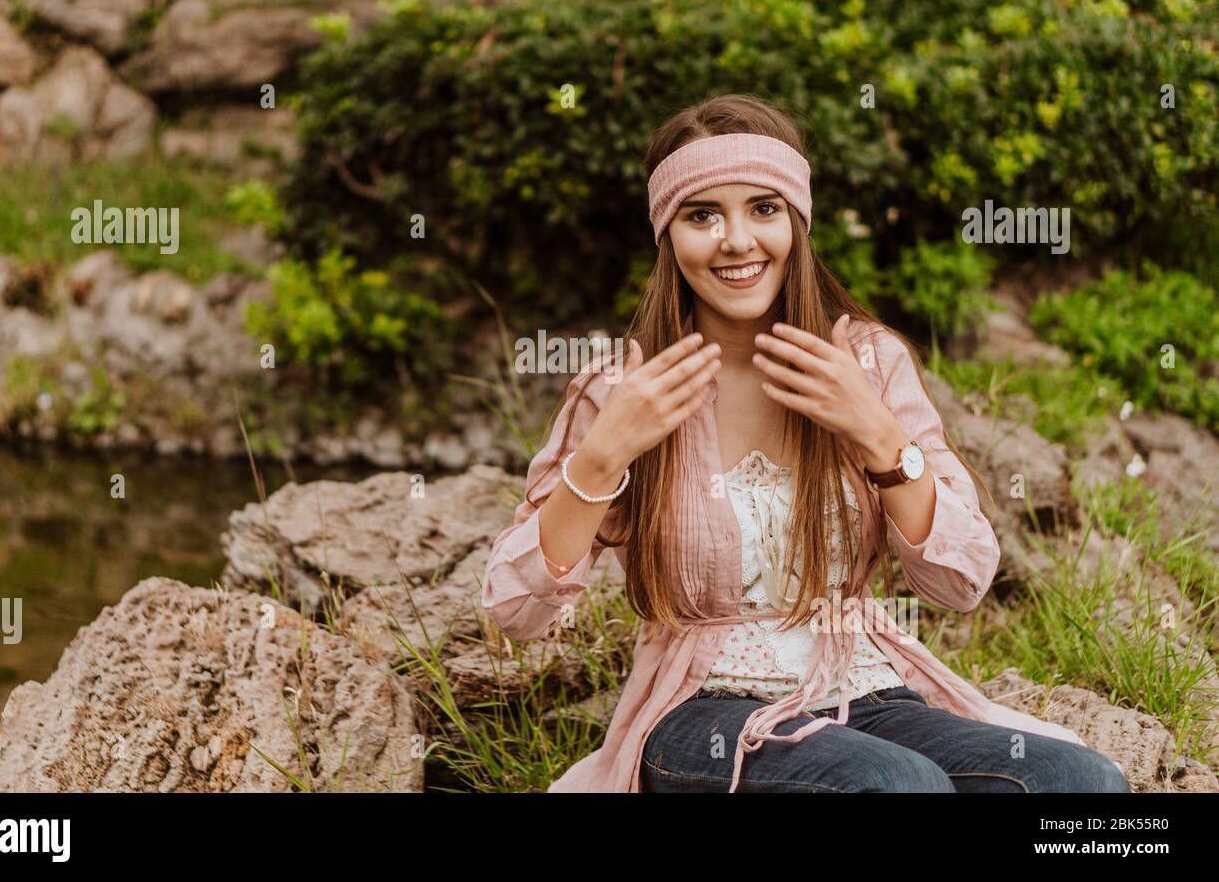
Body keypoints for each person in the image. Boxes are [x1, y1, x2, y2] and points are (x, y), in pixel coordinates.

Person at [482, 92, 1130, 794]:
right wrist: (603, 457)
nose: (736, 240)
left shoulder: (870, 363)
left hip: (866, 691)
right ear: (669, 235)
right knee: (898, 787)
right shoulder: (626, 387)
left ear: (796, 221)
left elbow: (962, 578)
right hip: (702, 710)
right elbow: (515, 612)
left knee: (1079, 782)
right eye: (703, 214)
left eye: (763, 208)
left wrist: (880, 438)